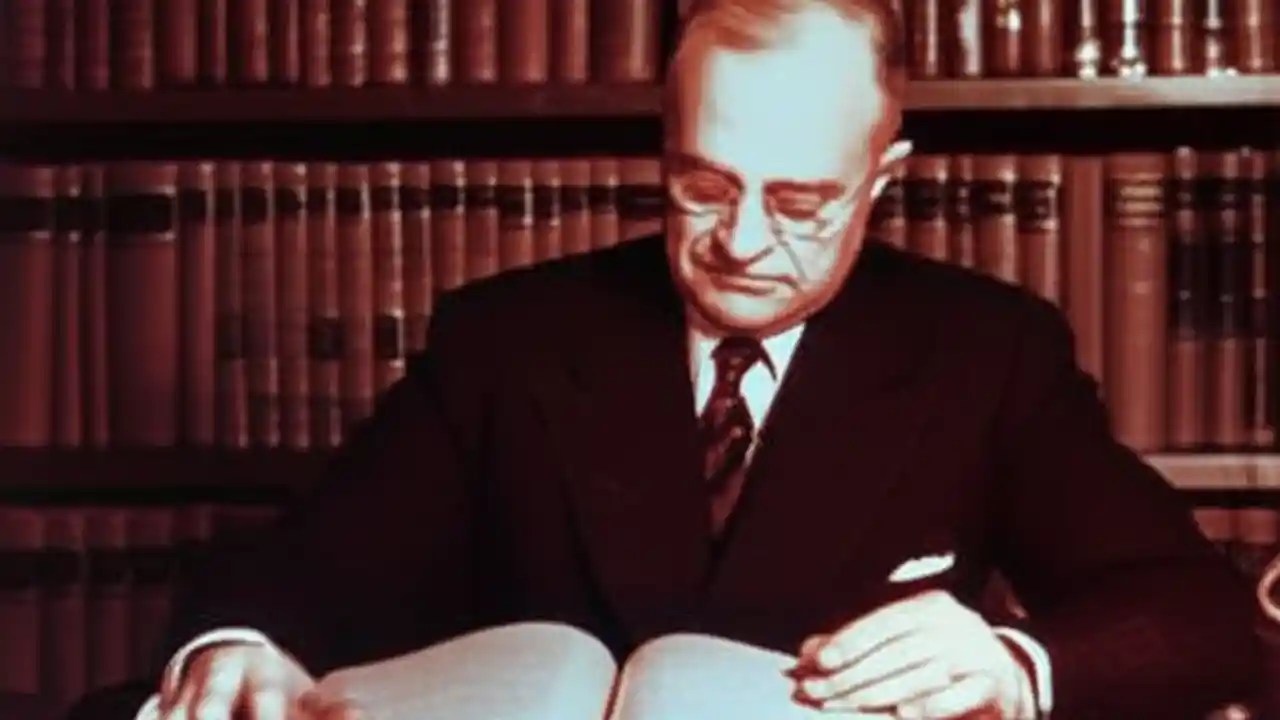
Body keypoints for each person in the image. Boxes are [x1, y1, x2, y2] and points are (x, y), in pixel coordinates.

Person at [126, 1, 1262, 718]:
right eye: (702, 185)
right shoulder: (509, 338)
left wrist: (1012, 670)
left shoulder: (987, 350)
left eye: (804, 199)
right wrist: (247, 647)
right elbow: (312, 562)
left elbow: (1194, 614)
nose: (743, 239)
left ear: (883, 177)